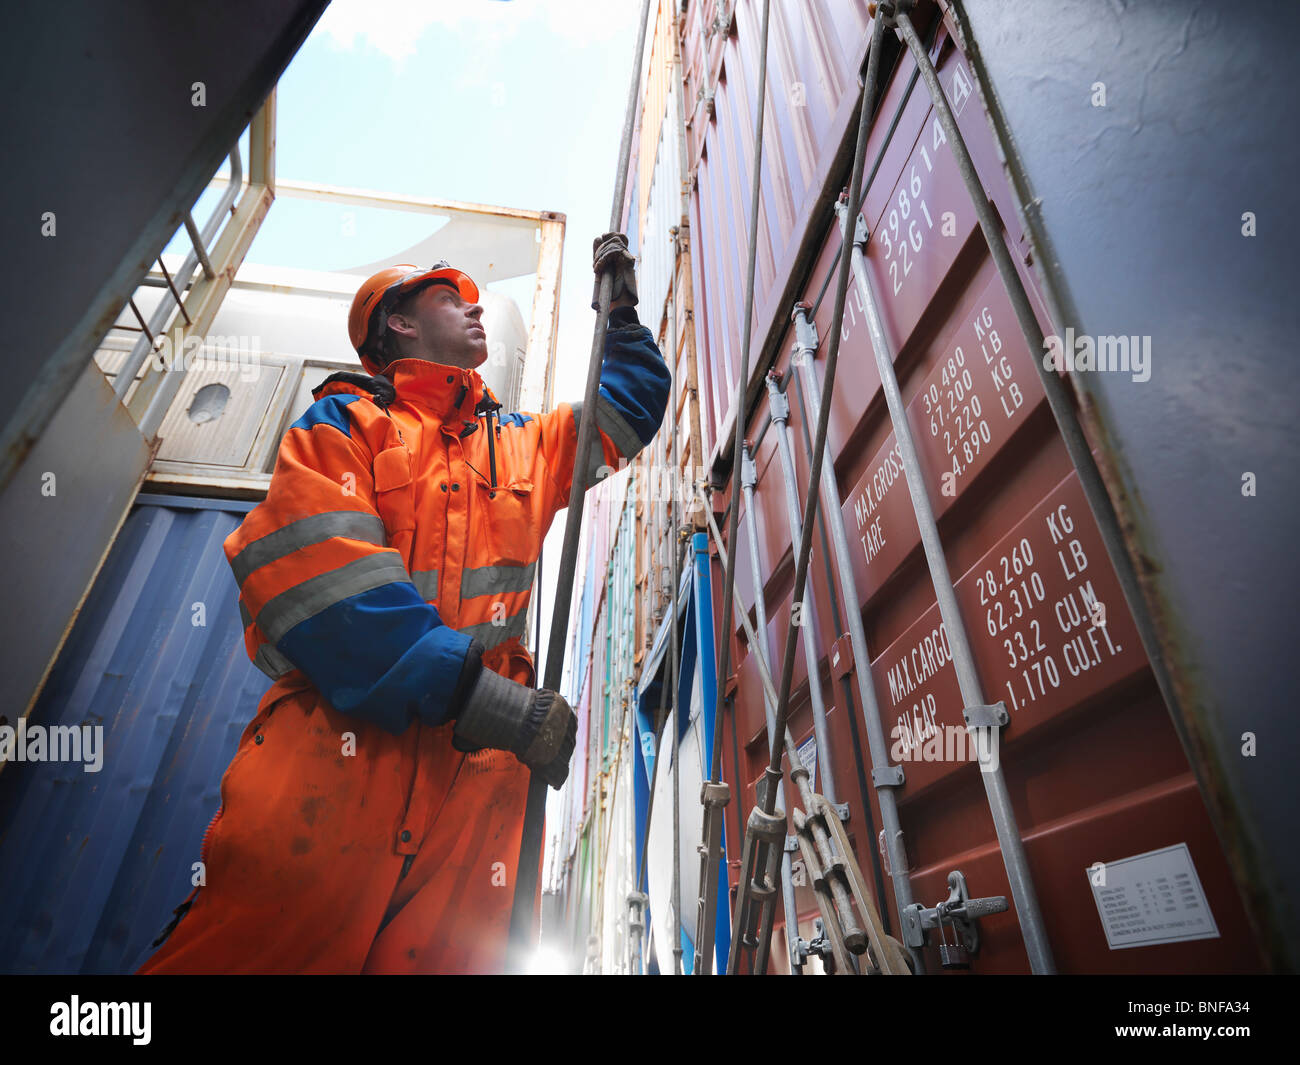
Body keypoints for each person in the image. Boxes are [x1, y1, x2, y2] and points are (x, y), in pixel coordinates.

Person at [136, 233, 669, 974]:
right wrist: (473, 693)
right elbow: (321, 577)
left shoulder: (521, 445)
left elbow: (629, 410)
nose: (474, 307)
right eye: (451, 297)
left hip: (480, 785)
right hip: (337, 761)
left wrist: (620, 316)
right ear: (399, 325)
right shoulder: (343, 427)